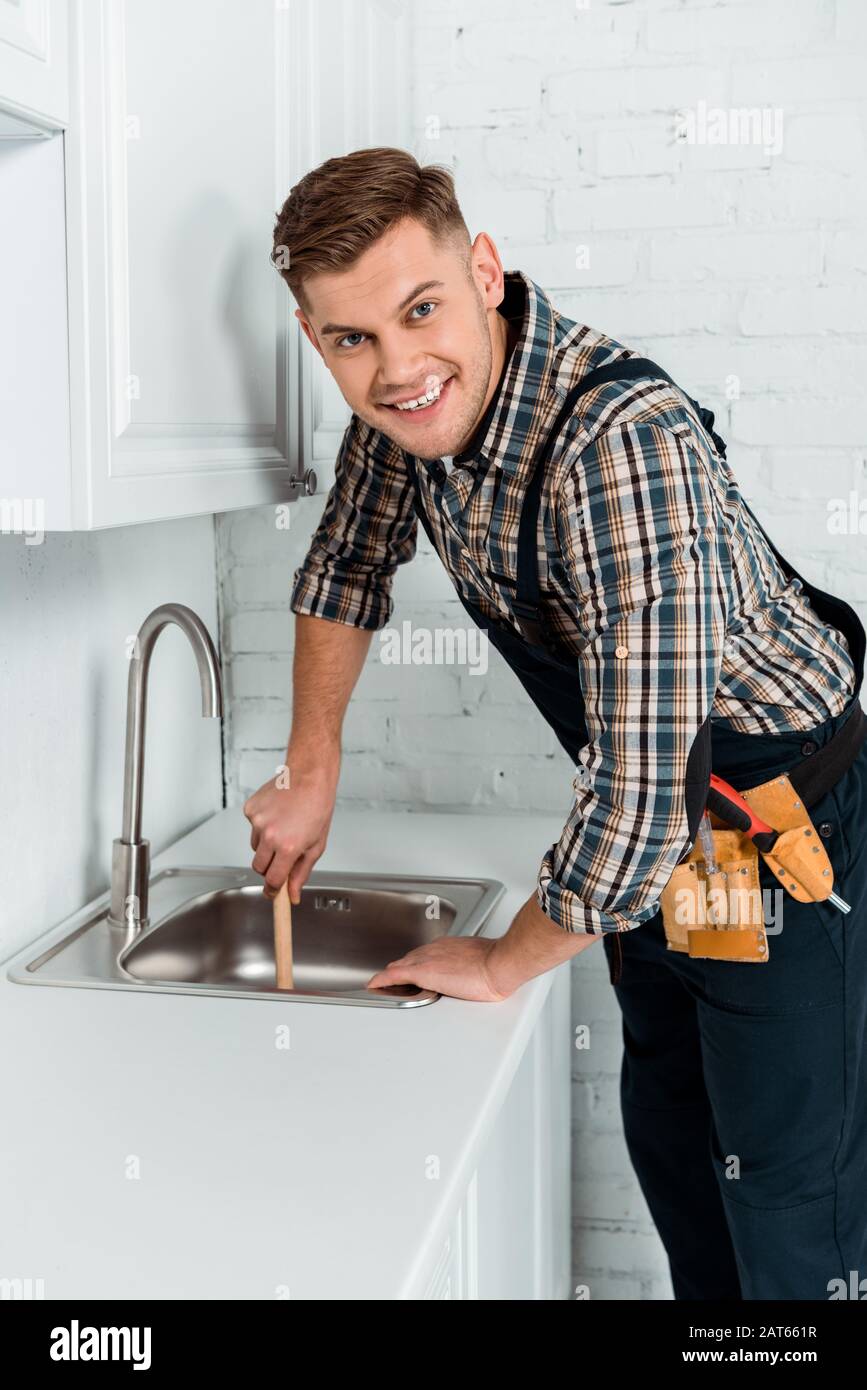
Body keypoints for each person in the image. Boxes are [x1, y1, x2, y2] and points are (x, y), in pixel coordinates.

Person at [243, 147, 867, 1300]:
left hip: (777, 831)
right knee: (682, 1159)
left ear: (485, 270)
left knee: (790, 1208)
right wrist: (312, 764)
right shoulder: (407, 411)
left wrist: (500, 959)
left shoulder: (615, 444)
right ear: (314, 334)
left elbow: (634, 811)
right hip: (676, 836)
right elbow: (344, 566)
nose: (396, 367)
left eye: (419, 309)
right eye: (352, 339)